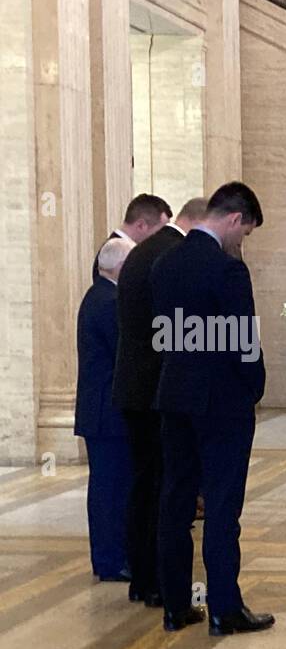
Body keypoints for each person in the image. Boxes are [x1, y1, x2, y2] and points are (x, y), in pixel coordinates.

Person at [151, 182, 273, 636]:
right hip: (221, 404)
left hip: (174, 397)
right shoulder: (227, 270)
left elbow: (162, 332)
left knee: (175, 500)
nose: (243, 243)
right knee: (222, 507)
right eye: (246, 233)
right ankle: (224, 609)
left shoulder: (164, 262)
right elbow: (243, 341)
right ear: (235, 219)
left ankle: (176, 606)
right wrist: (255, 387)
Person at [112, 196, 207, 607]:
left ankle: (141, 576)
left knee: (144, 485)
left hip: (134, 387)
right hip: (158, 390)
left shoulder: (141, 252)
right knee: (165, 488)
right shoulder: (174, 254)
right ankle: (157, 584)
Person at [75, 237, 135, 583]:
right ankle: (111, 559)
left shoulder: (98, 295)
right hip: (107, 413)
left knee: (108, 488)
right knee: (110, 490)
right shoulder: (109, 301)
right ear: (119, 268)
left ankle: (111, 556)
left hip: (101, 412)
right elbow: (123, 352)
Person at [93, 194, 170, 280]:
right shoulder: (117, 254)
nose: (162, 237)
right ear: (141, 226)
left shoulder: (113, 250)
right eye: (160, 231)